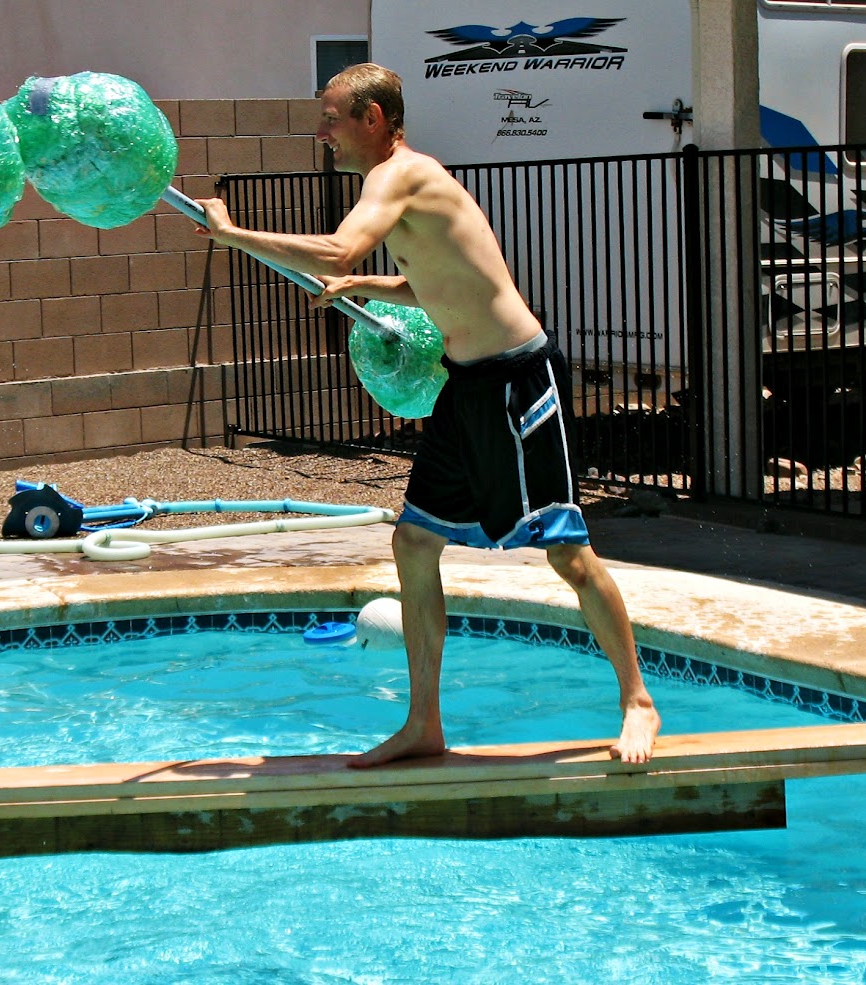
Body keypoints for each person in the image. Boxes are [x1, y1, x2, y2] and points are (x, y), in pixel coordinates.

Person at [191, 63, 660, 766]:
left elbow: (338, 248)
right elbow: (435, 284)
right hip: (466, 386)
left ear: (373, 119)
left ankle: (638, 701)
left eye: (331, 119)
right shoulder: (400, 182)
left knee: (566, 551)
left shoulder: (402, 175)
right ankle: (423, 724)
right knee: (413, 542)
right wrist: (367, 284)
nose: (321, 133)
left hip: (516, 381)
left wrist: (234, 234)